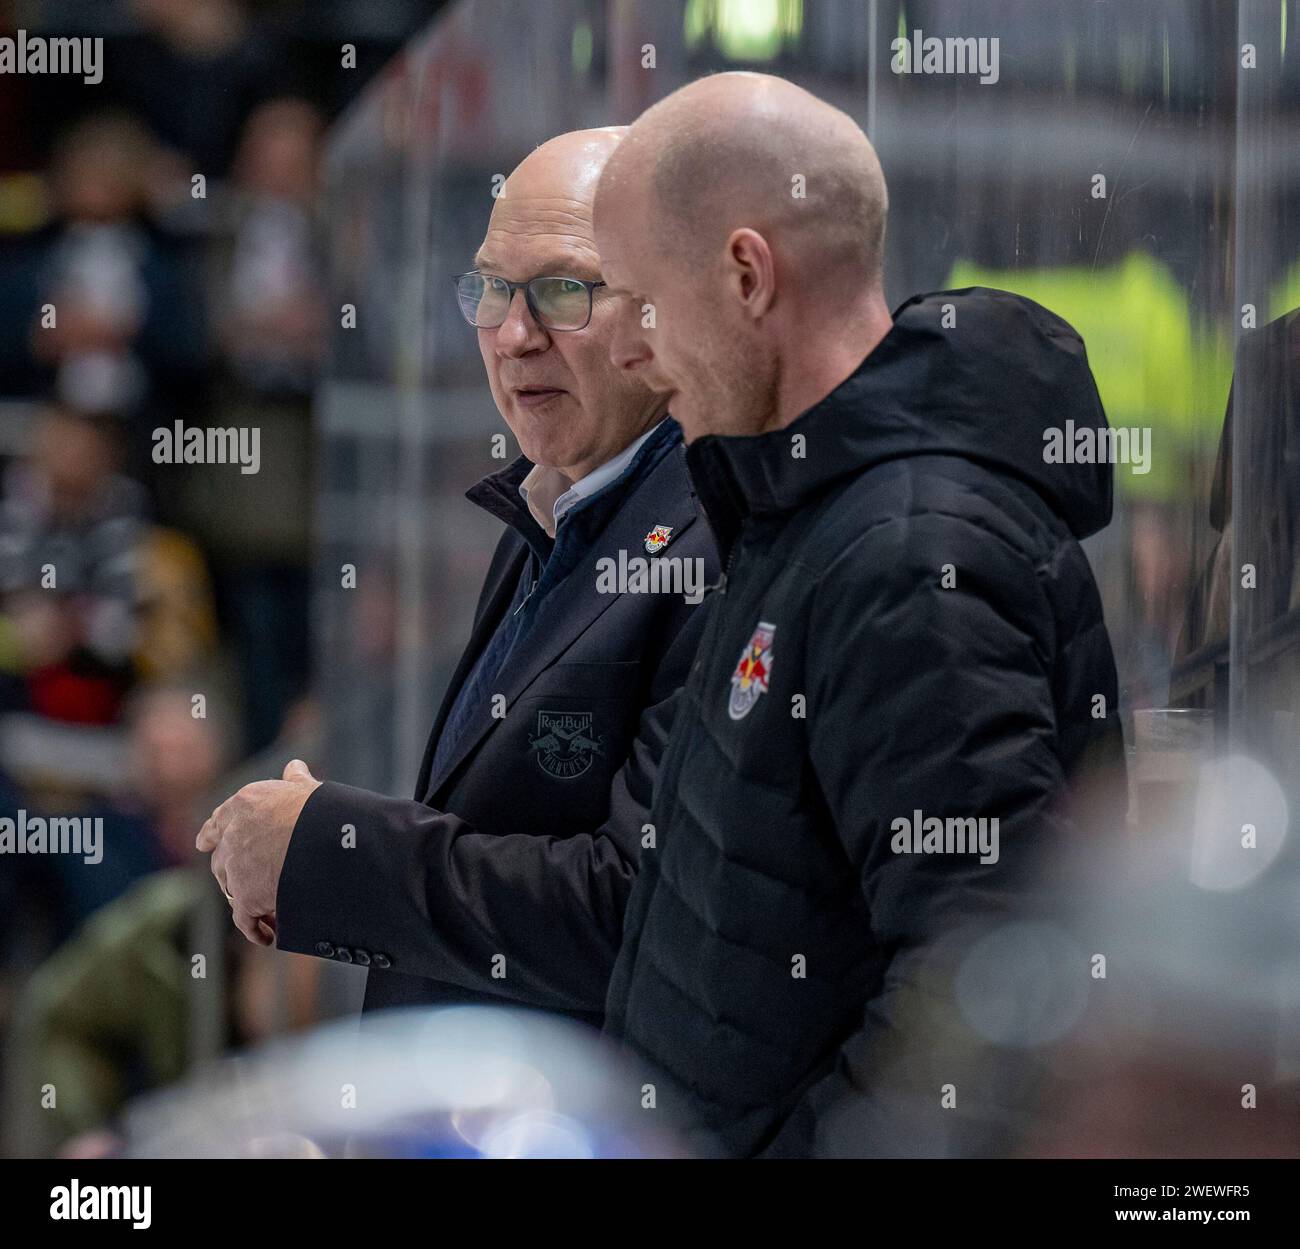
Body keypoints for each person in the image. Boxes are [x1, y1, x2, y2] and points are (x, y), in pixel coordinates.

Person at [592, 71, 1125, 1156]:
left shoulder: (907, 553)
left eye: (638, 300)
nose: (622, 348)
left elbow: (988, 977)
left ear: (745, 273)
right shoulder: (805, 513)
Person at [197, 128, 719, 1025]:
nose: (514, 336)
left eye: (561, 290)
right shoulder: (550, 507)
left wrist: (327, 848)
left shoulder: (717, 538)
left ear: (661, 306)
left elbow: (639, 913)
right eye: (489, 290)